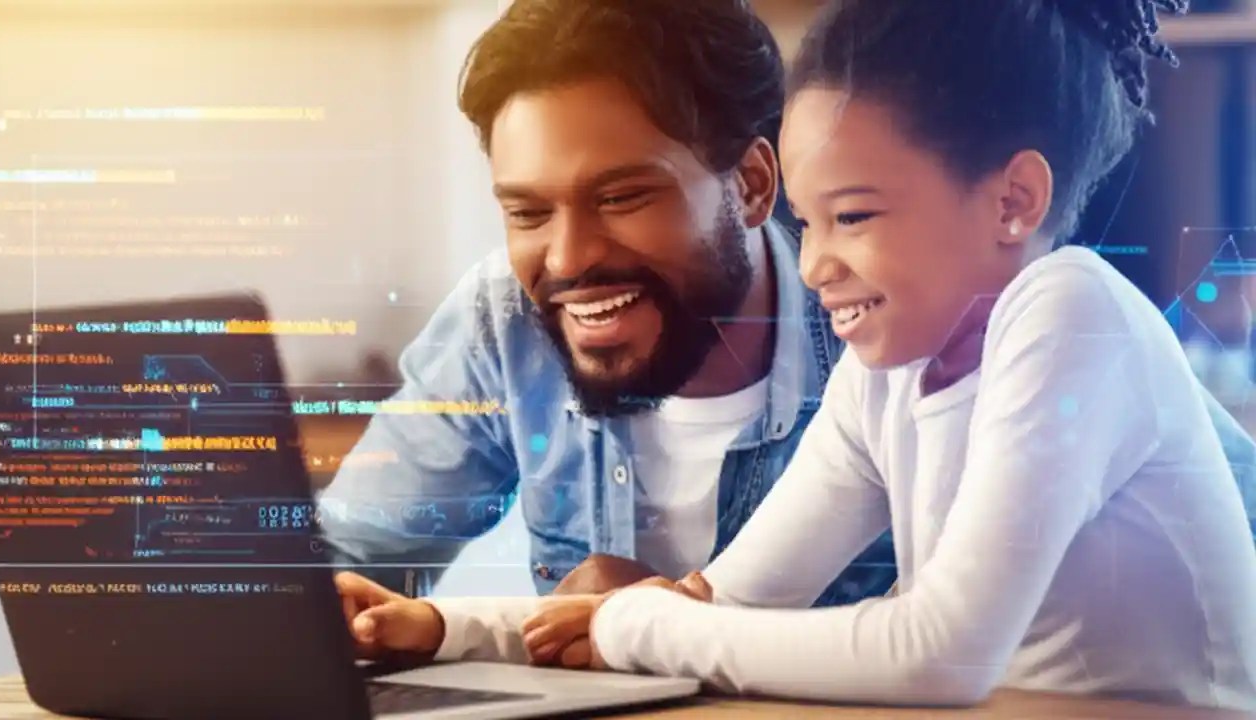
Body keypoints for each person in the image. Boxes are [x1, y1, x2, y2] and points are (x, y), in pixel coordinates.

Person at [341, 0, 1256, 710]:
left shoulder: (1073, 309)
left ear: (1014, 201)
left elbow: (942, 652)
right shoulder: (884, 374)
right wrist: (438, 626)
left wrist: (641, 623)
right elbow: (712, 604)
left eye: (854, 216)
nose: (815, 263)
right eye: (812, 221)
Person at [316, 0, 896, 607]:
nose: (567, 260)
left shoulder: (882, 331)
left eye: (622, 198)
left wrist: (660, 629)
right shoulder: (503, 322)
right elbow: (349, 561)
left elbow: (967, 645)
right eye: (527, 213)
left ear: (751, 184)